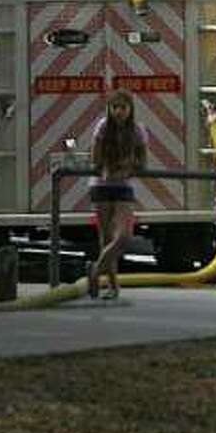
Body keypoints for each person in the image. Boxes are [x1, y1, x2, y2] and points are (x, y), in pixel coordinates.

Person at [87, 89, 147, 300]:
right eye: (115, 107)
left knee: (123, 237)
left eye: (123, 107)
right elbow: (95, 159)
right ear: (109, 109)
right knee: (106, 238)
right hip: (101, 185)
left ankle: (95, 271)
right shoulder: (103, 127)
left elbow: (142, 161)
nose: (119, 111)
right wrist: (106, 166)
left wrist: (128, 167)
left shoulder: (137, 131)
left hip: (123, 186)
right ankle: (113, 286)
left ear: (130, 109)